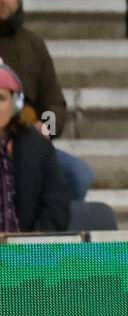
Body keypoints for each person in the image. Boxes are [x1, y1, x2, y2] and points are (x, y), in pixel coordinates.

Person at [0, 0, 92, 200]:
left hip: (26, 142)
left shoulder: (33, 45)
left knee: (78, 176)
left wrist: (45, 128)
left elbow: (55, 105)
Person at [0, 64, 73, 233]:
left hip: (27, 253)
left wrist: (34, 244)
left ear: (16, 104)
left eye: (1, 98)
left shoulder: (38, 146)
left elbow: (56, 205)